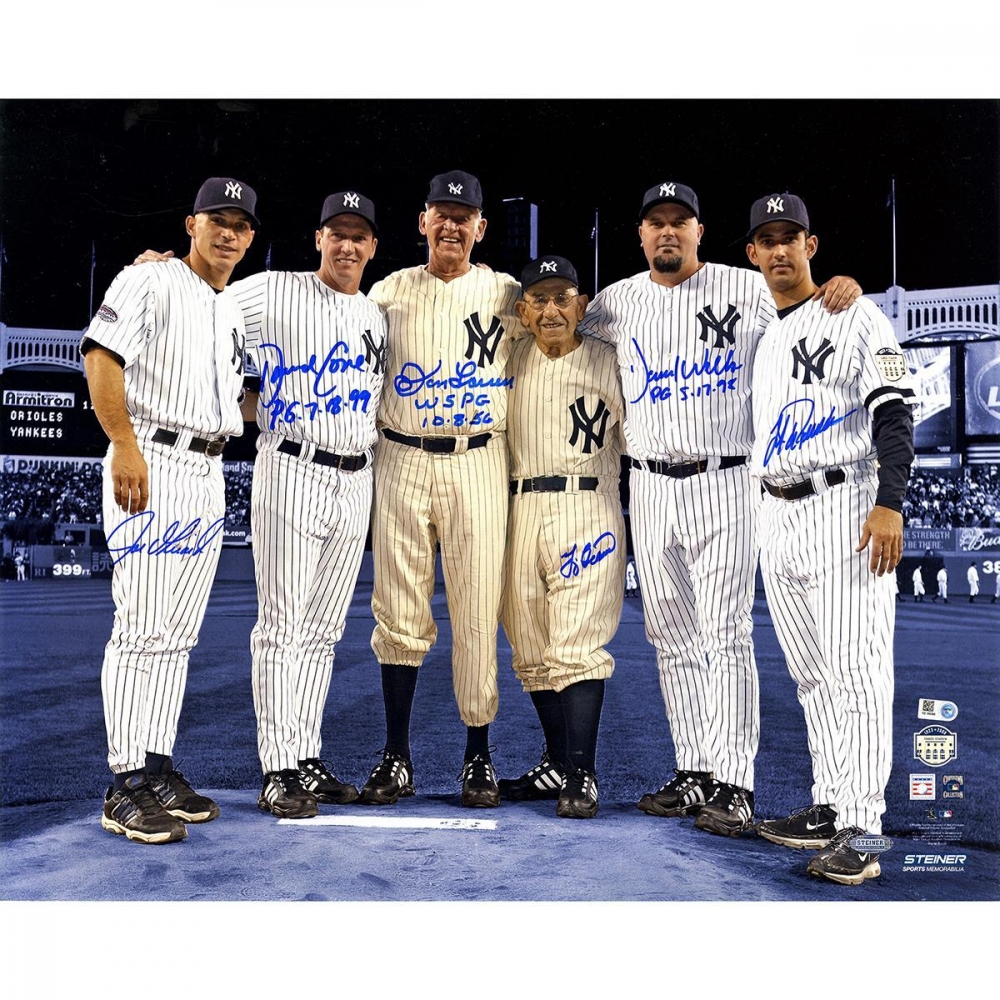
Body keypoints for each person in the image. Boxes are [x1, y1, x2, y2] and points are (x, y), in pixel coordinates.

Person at [579, 181, 861, 837]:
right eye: (657, 222)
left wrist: (837, 286)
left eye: (681, 221)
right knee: (670, 638)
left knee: (724, 633)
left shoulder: (746, 288)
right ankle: (695, 771)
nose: (669, 232)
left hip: (724, 477)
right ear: (642, 234)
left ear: (700, 232)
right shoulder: (616, 303)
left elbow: (810, 306)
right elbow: (555, 327)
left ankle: (735, 782)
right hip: (647, 485)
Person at [134, 192, 387, 820]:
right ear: (318, 239)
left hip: (358, 476)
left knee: (324, 633)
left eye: (359, 236)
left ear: (374, 246)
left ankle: (304, 756)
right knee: (282, 626)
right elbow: (203, 295)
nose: (348, 245)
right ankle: (277, 770)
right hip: (292, 466)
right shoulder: (272, 290)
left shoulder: (377, 315)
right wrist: (162, 268)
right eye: (337, 233)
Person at [744, 192, 915, 885]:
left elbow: (895, 407)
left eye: (792, 237)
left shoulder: (857, 312)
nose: (780, 249)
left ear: (811, 246)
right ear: (752, 253)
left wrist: (890, 504)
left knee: (858, 671)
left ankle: (866, 829)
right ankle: (831, 803)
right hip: (778, 514)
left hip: (844, 506)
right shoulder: (768, 330)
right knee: (813, 675)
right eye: (767, 239)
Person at [82, 176, 258, 844]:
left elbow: (230, 399)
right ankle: (123, 782)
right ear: (192, 224)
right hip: (152, 458)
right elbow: (101, 357)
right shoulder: (149, 282)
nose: (229, 233)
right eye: (218, 219)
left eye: (241, 225)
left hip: (208, 469)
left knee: (177, 634)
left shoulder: (231, 307)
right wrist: (123, 442)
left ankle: (155, 767)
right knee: (142, 625)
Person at [361, 170, 523, 808]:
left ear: (481, 228)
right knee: (397, 611)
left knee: (479, 610)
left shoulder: (509, 293)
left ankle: (477, 756)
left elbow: (573, 321)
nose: (452, 224)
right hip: (401, 457)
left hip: (478, 459)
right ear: (423, 221)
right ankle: (395, 755)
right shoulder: (388, 291)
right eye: (441, 212)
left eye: (465, 215)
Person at [497, 255, 625, 819]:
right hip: (517, 505)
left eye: (563, 297)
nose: (551, 310)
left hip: (587, 502)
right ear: (523, 310)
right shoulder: (508, 356)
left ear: (582, 304)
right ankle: (556, 762)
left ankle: (583, 775)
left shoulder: (613, 360)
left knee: (577, 644)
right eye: (539, 300)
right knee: (530, 649)